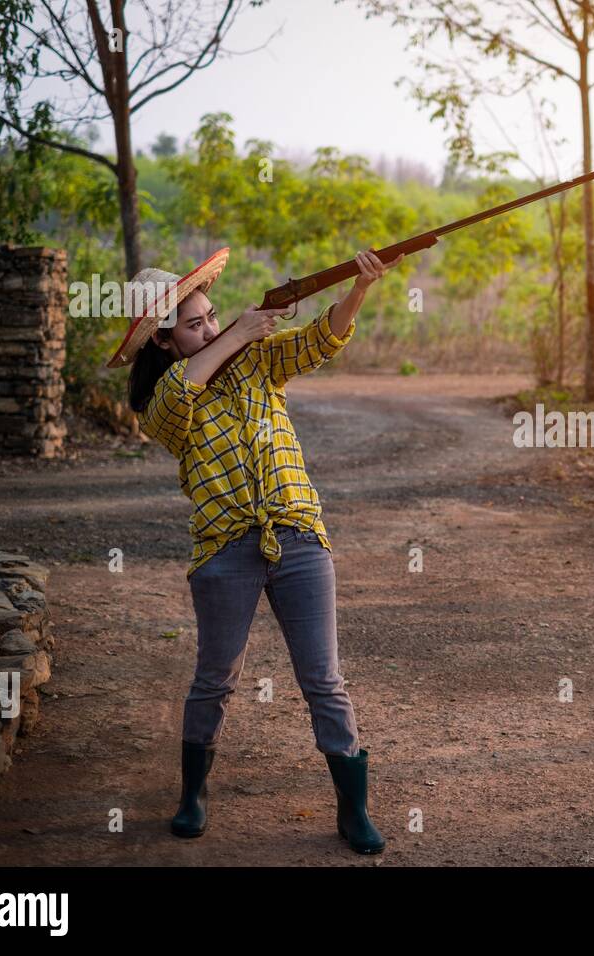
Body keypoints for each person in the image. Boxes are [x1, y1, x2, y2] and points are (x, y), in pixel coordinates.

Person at [107, 246, 402, 854]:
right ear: (164, 343)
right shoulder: (162, 402)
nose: (211, 327)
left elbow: (319, 341)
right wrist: (237, 330)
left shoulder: (257, 360)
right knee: (215, 678)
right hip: (224, 549)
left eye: (212, 315)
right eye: (195, 325)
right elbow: (182, 394)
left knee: (323, 678)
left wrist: (358, 289)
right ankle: (193, 795)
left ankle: (353, 809)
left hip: (297, 534)